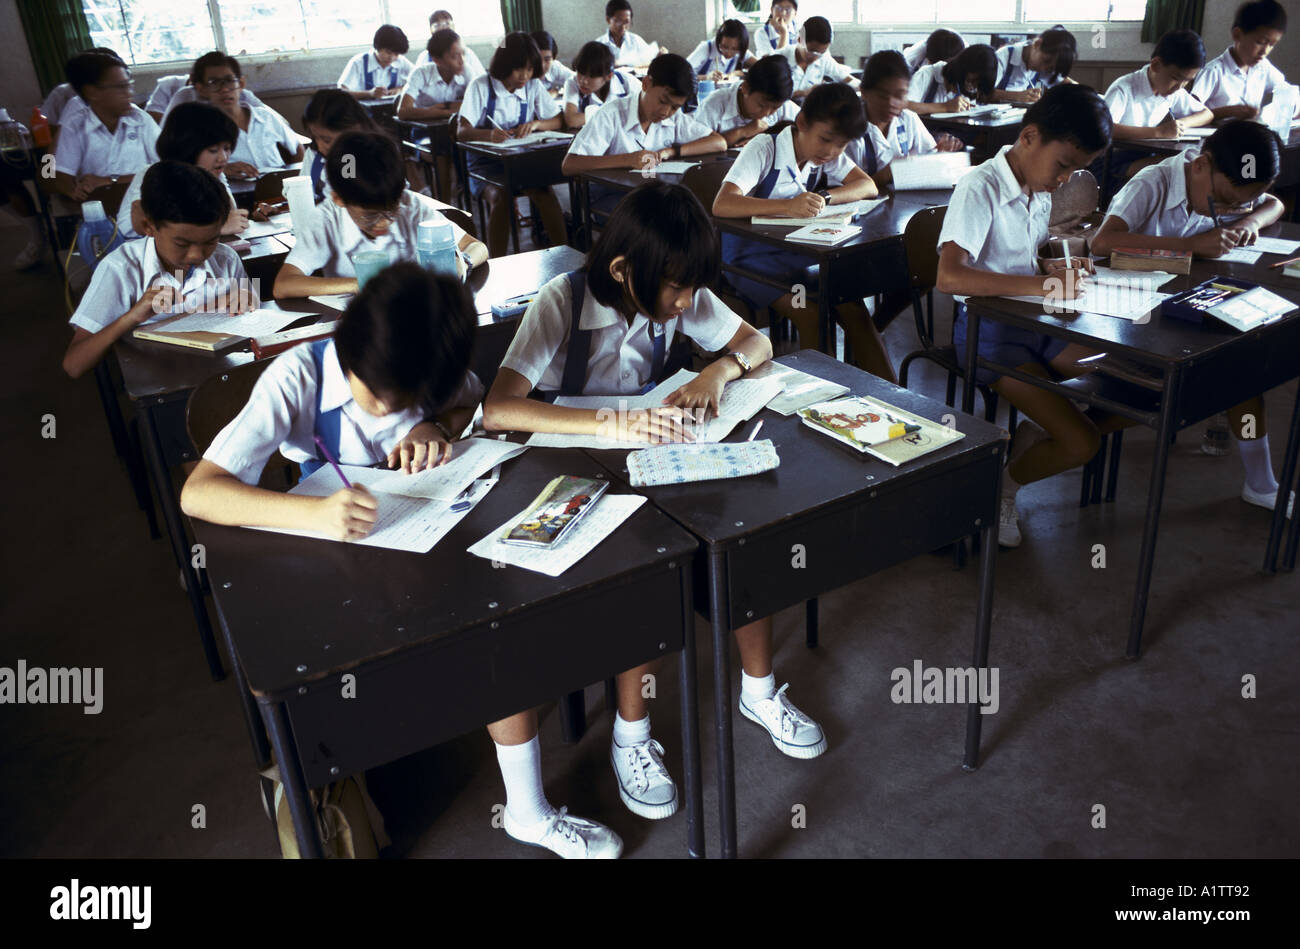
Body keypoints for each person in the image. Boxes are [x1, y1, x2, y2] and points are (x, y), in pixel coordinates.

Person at [486, 183, 829, 821]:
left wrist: (716, 371)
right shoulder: (561, 301)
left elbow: (758, 343)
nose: (683, 305)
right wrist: (610, 426)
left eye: (691, 291)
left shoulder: (678, 293)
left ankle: (758, 691)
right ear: (623, 271)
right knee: (640, 574)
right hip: (573, 466)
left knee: (745, 532)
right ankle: (631, 735)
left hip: (655, 457)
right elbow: (500, 408)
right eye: (675, 290)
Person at [934, 83, 1114, 548]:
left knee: (1122, 380)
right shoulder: (981, 186)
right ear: (1029, 136)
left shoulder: (1038, 189)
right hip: (989, 334)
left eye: (1078, 170)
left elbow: (1022, 259)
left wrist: (1054, 266)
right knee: (1083, 442)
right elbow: (950, 277)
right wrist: (1041, 284)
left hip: (1037, 323)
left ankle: (1042, 426)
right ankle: (1004, 487)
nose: (1065, 179)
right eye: (1064, 165)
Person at [1090, 120, 1290, 515]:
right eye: (1223, 201)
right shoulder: (1153, 183)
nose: (1228, 212)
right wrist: (1188, 245)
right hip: (1130, 317)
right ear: (1200, 165)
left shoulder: (1228, 183)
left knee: (1247, 364)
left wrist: (1249, 220)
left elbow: (1276, 204)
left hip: (1182, 310)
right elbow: (1103, 241)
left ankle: (1262, 483)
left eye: (1239, 205)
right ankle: (1068, 431)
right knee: (1230, 373)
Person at [712, 84, 890, 380]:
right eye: (826, 140)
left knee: (852, 304)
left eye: (842, 145)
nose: (832, 151)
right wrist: (787, 205)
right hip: (747, 257)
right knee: (809, 312)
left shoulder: (824, 153)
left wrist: (826, 197)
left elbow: (867, 186)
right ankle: (819, 397)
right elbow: (722, 204)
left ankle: (892, 395)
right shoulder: (764, 148)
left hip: (796, 251)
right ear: (803, 123)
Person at [63, 161, 255, 379]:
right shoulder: (121, 269)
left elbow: (252, 320)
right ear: (148, 226)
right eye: (182, 244)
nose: (197, 255)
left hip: (222, 375)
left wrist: (246, 302)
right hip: (159, 383)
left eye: (210, 241)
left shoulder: (226, 258)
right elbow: (74, 364)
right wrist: (132, 317)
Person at [273, 131, 486, 298]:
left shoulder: (410, 205)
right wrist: (364, 283)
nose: (384, 222)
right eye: (370, 216)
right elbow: (284, 285)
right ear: (339, 199)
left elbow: (478, 247)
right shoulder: (327, 219)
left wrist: (463, 262)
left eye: (391, 210)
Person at [561, 53, 725, 214]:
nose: (666, 112)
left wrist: (672, 151)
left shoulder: (675, 119)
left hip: (649, 193)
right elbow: (569, 165)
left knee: (693, 211)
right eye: (662, 101)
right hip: (606, 194)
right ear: (646, 84)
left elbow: (718, 142)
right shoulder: (611, 114)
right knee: (657, 219)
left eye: (675, 107)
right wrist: (628, 159)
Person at [456, 33, 567, 257]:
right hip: (485, 164)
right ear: (505, 65)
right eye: (519, 69)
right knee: (502, 196)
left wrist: (535, 124)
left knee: (544, 192)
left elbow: (558, 120)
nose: (524, 75)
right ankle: (494, 261)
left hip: (520, 162)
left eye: (529, 69)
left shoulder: (532, 85)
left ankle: (565, 253)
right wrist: (489, 134)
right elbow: (461, 131)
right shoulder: (480, 86)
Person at [117, 102, 246, 240]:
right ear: (187, 148)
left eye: (227, 148)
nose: (223, 158)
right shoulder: (154, 175)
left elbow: (231, 216)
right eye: (213, 150)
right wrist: (215, 228)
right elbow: (127, 227)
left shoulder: (213, 174)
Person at [52, 51, 159, 202]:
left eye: (129, 85)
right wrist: (73, 189)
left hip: (145, 201)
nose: (129, 93)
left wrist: (109, 181)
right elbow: (58, 174)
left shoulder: (140, 119)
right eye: (121, 87)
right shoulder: (75, 124)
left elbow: (165, 169)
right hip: (102, 205)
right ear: (92, 92)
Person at [181, 53, 302, 179]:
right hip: (236, 193)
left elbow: (296, 148)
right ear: (201, 89)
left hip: (278, 190)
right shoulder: (200, 128)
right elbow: (190, 167)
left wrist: (297, 179)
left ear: (241, 84)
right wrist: (222, 169)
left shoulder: (266, 117)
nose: (225, 89)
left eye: (229, 81)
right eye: (214, 82)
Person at [1191, 0, 1298, 121]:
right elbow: (1189, 112)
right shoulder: (1213, 71)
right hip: (1217, 137)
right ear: (1237, 35)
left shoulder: (1263, 68)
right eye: (1260, 42)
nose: (1265, 51)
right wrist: (1228, 111)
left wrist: (1293, 105)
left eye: (1272, 44)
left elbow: (1288, 90)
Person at [694, 53, 798, 148]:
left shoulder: (779, 102)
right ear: (745, 88)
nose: (767, 113)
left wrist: (766, 137)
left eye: (775, 108)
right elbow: (695, 145)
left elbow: (806, 127)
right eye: (761, 105)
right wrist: (742, 132)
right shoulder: (713, 104)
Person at [300, 89, 381, 205]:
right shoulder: (314, 155)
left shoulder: (375, 156)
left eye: (327, 140)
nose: (320, 147)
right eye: (314, 137)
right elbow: (304, 193)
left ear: (354, 130)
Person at [991, 26, 1077, 104]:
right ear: (1037, 44)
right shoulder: (1002, 57)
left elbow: (1067, 84)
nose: (1043, 69)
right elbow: (982, 94)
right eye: (1045, 61)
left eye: (1050, 69)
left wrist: (1081, 93)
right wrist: (1017, 96)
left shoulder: (1043, 64)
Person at [907, 44, 998, 116]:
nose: (972, 88)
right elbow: (905, 106)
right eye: (972, 81)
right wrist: (945, 107)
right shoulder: (927, 74)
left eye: (978, 85)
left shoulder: (965, 91)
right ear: (963, 68)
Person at [781, 17, 859, 101]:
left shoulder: (824, 58)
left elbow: (846, 78)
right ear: (800, 40)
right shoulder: (779, 58)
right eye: (812, 52)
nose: (816, 57)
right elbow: (771, 96)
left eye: (822, 52)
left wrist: (860, 86)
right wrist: (804, 93)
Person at [561, 41, 632, 129]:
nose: (583, 81)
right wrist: (615, 113)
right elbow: (572, 120)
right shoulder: (572, 82)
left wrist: (591, 115)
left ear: (609, 76)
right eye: (581, 73)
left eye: (591, 76)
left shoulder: (626, 82)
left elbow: (642, 111)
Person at [337, 24, 415, 100]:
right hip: (361, 110)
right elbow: (342, 92)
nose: (392, 58)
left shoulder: (401, 62)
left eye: (397, 54)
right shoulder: (358, 62)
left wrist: (400, 89)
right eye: (388, 52)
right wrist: (369, 94)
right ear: (377, 47)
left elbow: (419, 82)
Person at [415, 10, 486, 76]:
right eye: (437, 25)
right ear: (431, 30)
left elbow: (481, 80)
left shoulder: (467, 53)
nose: (443, 28)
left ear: (453, 27)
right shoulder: (425, 57)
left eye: (447, 24)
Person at [599, 0, 664, 69]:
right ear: (608, 19)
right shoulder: (599, 45)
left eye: (627, 22)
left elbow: (648, 61)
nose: (623, 26)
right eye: (618, 21)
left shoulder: (636, 40)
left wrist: (659, 57)